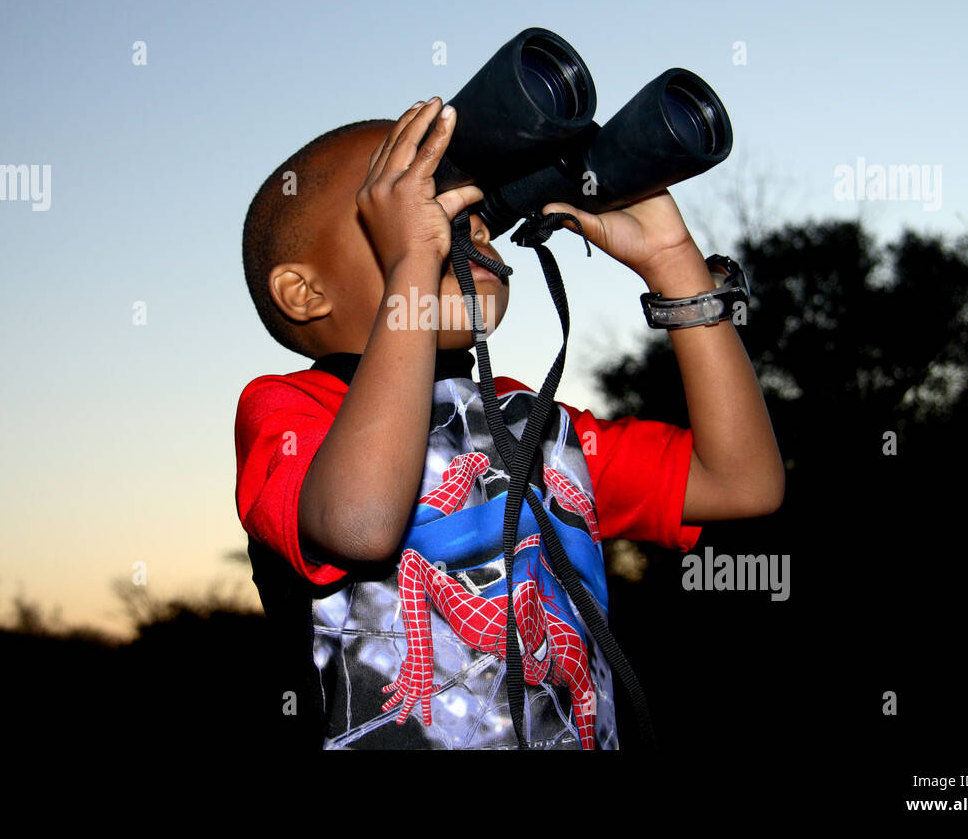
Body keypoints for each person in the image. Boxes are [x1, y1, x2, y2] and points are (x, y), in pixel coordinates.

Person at [235, 96, 784, 749]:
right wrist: (416, 259)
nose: (462, 227)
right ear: (305, 291)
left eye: (469, 209)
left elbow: (742, 483)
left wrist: (675, 267)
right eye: (411, 203)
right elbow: (360, 525)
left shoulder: (535, 426)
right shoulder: (292, 410)